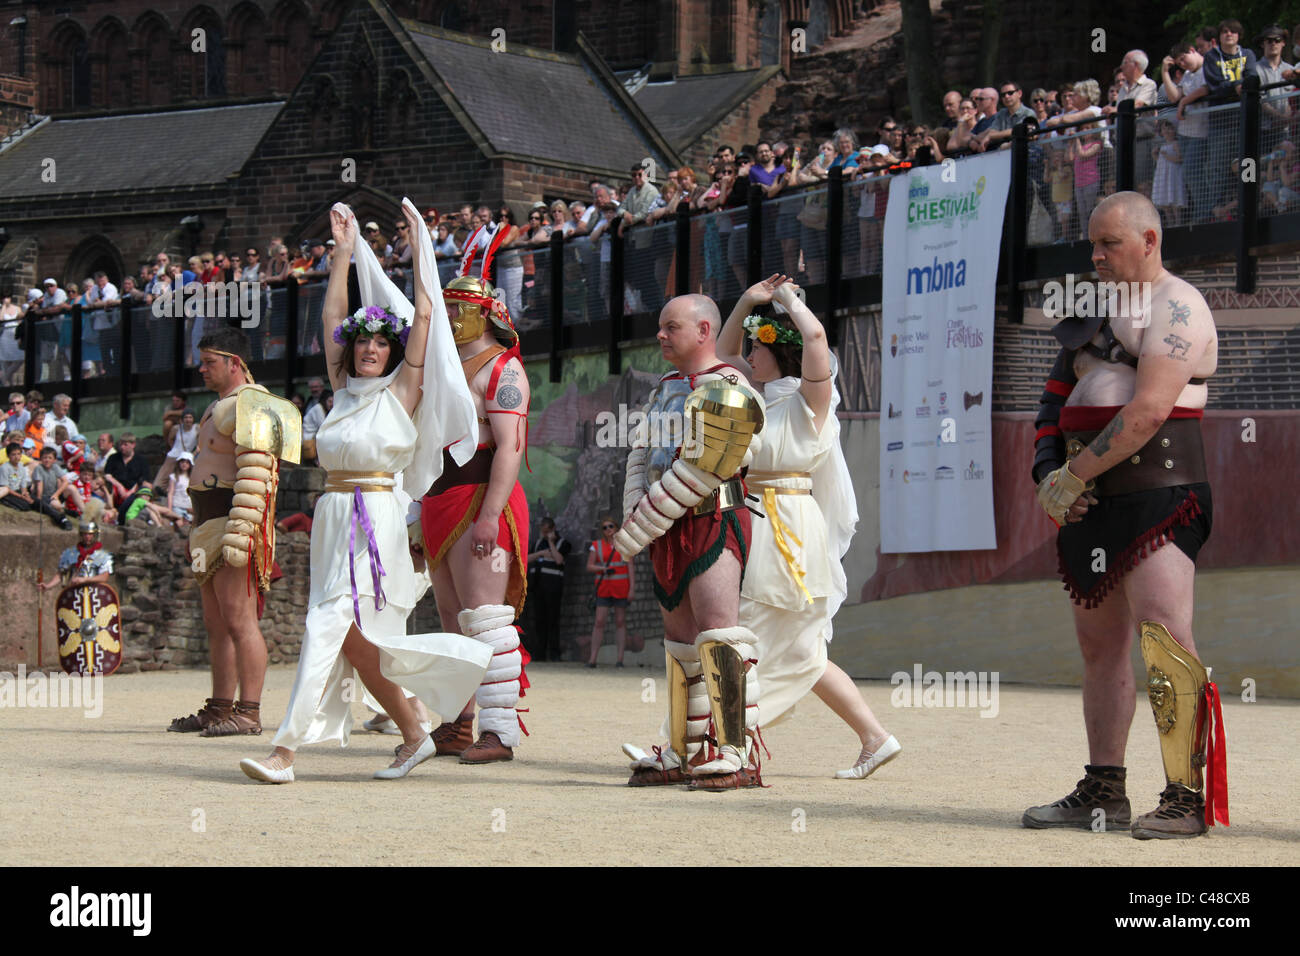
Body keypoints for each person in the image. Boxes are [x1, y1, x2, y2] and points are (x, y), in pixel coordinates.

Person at [240, 201, 489, 783]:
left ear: (392, 350)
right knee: (356, 640)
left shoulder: (402, 391)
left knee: (326, 624)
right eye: (362, 342)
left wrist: (423, 245)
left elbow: (424, 319)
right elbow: (332, 318)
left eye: (381, 342)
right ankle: (413, 733)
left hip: (376, 513)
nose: (370, 349)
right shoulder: (341, 390)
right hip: (333, 512)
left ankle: (285, 751)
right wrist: (344, 253)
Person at [1024, 192, 1226, 840]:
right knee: (1099, 647)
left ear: (1148, 239)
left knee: (1164, 639)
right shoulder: (1094, 313)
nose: (1096, 256)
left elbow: (1146, 414)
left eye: (1109, 244)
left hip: (1159, 493)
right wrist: (1046, 474)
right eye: (1093, 244)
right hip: (1086, 500)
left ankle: (1185, 796)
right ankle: (1102, 791)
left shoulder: (1179, 307)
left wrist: (1068, 478)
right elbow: (1052, 402)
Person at [614, 294, 766, 790]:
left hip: (711, 516)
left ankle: (737, 754)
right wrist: (636, 505)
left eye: (670, 327)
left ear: (704, 331)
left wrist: (645, 517)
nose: (660, 335)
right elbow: (643, 451)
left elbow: (706, 467)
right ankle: (682, 750)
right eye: (660, 327)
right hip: (666, 525)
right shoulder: (666, 387)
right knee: (681, 643)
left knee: (721, 634)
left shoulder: (730, 385)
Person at [413, 230, 531, 763]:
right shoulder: (444, 368)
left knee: (485, 618)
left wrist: (489, 517)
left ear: (485, 313)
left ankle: (500, 731)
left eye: (462, 308)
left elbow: (509, 448)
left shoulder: (505, 370)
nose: (453, 317)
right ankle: (458, 723)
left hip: (483, 497)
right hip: (439, 496)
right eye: (449, 307)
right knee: (449, 614)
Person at [168, 327, 291, 737]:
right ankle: (220, 707)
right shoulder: (217, 407)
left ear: (234, 363)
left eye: (210, 362)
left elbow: (258, 472)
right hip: (206, 522)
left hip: (231, 521)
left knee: (240, 619)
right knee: (215, 622)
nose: (202, 369)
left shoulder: (250, 404)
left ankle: (249, 712)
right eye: (202, 361)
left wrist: (241, 529)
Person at [584, 515, 633, 668]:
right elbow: (589, 566)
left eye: (611, 526)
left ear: (616, 528)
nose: (608, 530)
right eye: (605, 527)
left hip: (621, 588)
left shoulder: (625, 544)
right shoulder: (596, 545)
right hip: (604, 588)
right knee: (599, 622)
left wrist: (632, 589)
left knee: (620, 622)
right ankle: (592, 659)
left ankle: (620, 659)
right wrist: (603, 569)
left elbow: (630, 568)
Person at [527, 517, 570, 662]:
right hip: (538, 587)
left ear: (552, 529)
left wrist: (551, 542)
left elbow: (559, 560)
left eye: (547, 532)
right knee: (539, 621)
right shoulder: (538, 544)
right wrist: (540, 554)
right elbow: (527, 559)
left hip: (553, 587)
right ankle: (540, 654)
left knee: (553, 621)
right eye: (543, 531)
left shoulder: (563, 543)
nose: (544, 534)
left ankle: (554, 653)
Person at [38, 519, 113, 593]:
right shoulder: (70, 553)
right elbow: (61, 574)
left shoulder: (103, 555)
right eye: (85, 534)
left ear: (95, 535)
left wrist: (84, 580)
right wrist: (48, 586)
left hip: (94, 594)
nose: (87, 536)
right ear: (81, 535)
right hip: (75, 593)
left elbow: (104, 577)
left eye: (90, 534)